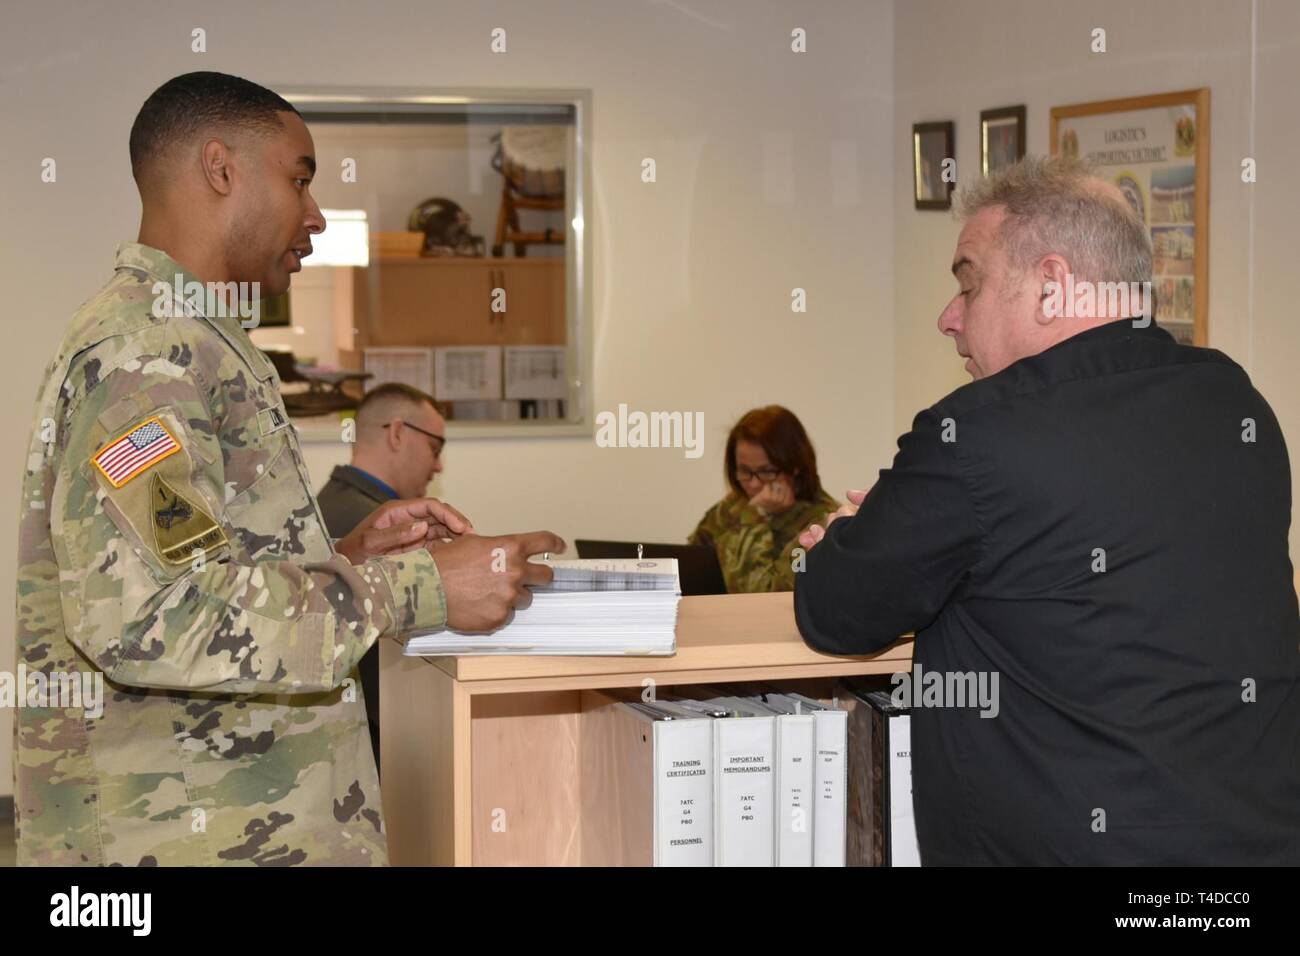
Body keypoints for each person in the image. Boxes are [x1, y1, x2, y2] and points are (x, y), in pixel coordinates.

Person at [14, 71, 563, 867]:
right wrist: (420, 588)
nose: (314, 215)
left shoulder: (195, 340)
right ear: (220, 168)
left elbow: (203, 565)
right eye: (300, 178)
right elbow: (155, 616)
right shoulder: (143, 355)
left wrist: (346, 561)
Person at [795, 155, 1300, 864]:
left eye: (967, 284)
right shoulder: (1237, 405)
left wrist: (856, 532)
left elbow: (836, 611)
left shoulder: (977, 434)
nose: (948, 318)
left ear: (1053, 286)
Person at [317, 383, 447, 774]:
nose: (438, 466)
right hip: (378, 742)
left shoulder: (322, 505)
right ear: (396, 433)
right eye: (435, 448)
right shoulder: (394, 535)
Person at [689, 405, 838, 593]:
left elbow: (762, 595)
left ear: (795, 468)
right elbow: (689, 570)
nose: (753, 484)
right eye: (745, 471)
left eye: (766, 471)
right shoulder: (732, 507)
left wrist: (753, 519)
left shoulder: (823, 524)